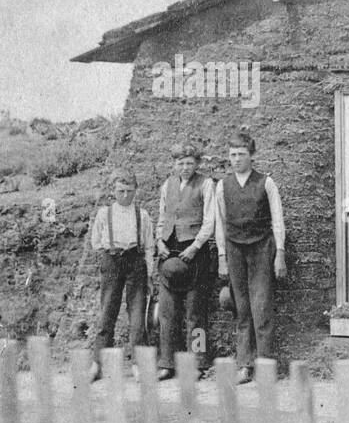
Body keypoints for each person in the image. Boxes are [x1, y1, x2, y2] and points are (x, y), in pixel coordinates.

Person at [215, 130, 287, 384]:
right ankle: (244, 365)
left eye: (242, 154)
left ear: (252, 156)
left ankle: (266, 366)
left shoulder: (266, 183)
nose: (236, 159)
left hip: (261, 250)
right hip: (235, 251)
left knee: (262, 307)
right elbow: (220, 224)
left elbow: (278, 220)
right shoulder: (223, 186)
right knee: (242, 309)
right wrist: (223, 257)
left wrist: (280, 254)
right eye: (232, 155)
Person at [154, 142, 217, 381]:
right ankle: (167, 363)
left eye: (189, 162)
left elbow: (210, 221)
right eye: (180, 163)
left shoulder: (206, 184)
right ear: (174, 164)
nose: (185, 167)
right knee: (168, 313)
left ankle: (198, 363)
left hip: (195, 254)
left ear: (197, 163)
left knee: (195, 313)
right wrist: (160, 241)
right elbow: (162, 217)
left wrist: (195, 246)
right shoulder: (167, 185)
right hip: (169, 252)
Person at [89, 168, 156, 382]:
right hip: (112, 261)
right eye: (120, 191)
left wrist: (149, 273)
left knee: (137, 315)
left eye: (129, 191)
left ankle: (139, 364)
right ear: (113, 191)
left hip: (135, 262)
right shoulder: (104, 213)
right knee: (107, 311)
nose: (125, 195)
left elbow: (148, 246)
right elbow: (96, 242)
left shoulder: (142, 215)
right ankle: (98, 364)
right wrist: (109, 255)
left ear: (136, 190)